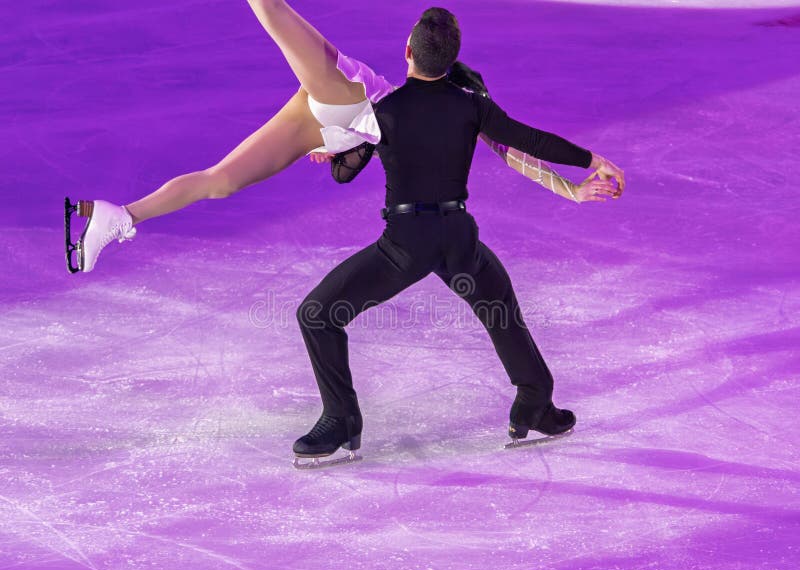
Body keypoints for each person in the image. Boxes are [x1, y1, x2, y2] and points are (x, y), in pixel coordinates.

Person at [291, 7, 625, 466]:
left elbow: (345, 176)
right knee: (499, 306)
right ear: (451, 59)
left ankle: (341, 419)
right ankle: (535, 402)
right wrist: (592, 161)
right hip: (457, 238)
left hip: (405, 245)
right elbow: (529, 139)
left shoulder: (383, 111)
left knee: (317, 315)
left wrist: (335, 152)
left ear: (407, 52)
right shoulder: (471, 104)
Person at [63, 0, 617, 274]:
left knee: (221, 183)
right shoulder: (467, 97)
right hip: (347, 104)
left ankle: (123, 215)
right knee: (271, 10)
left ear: (410, 50)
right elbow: (516, 149)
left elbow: (512, 145)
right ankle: (121, 217)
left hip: (341, 105)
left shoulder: (451, 94)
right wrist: (570, 188)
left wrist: (345, 143)